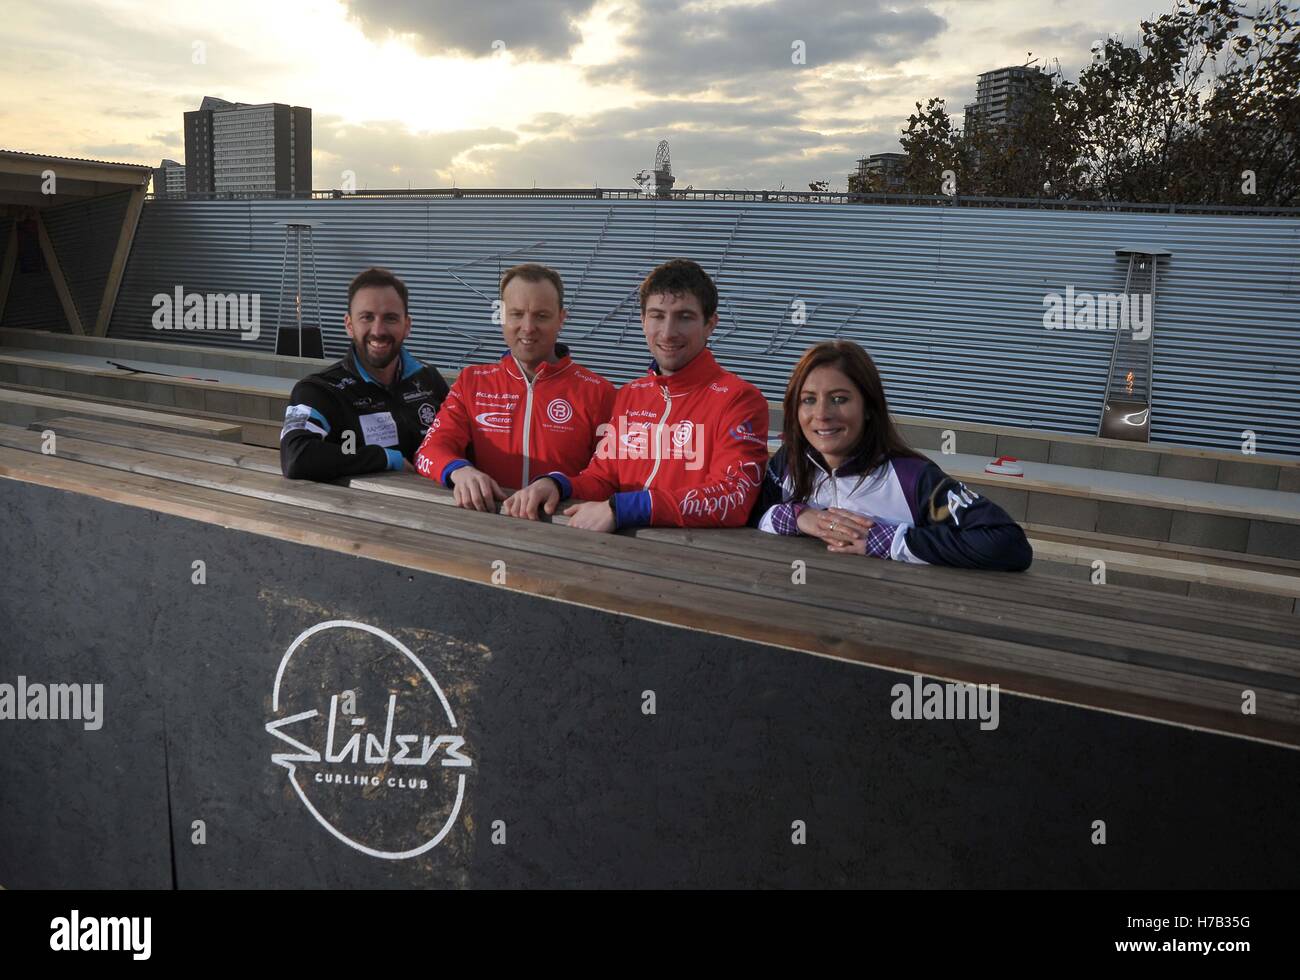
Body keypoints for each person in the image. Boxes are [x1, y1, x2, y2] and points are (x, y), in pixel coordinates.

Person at [503, 258, 769, 531]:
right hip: (619, 557)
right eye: (657, 316)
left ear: (710, 324)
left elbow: (733, 498)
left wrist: (623, 509)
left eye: (684, 317)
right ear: (643, 322)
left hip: (696, 562)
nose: (668, 332)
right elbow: (603, 478)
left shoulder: (739, 399)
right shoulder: (631, 395)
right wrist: (556, 484)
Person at [752, 340, 1032, 570]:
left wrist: (891, 541)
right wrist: (798, 516)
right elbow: (748, 513)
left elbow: (1008, 543)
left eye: (840, 399)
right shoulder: (790, 461)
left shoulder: (913, 478)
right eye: (808, 400)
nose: (822, 415)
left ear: (869, 408)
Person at [414, 264, 615, 510]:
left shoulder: (599, 392)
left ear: (561, 318)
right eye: (517, 314)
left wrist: (559, 484)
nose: (528, 327)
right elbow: (428, 451)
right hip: (485, 529)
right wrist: (459, 470)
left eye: (541, 315)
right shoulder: (472, 382)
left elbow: (610, 478)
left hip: (564, 534)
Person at [280, 267, 449, 481]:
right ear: (349, 325)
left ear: (407, 325)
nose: (378, 330)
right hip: (358, 511)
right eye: (367, 317)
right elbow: (296, 456)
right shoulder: (320, 390)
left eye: (390, 318)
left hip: (437, 509)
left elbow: (461, 443)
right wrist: (385, 458)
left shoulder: (429, 380)